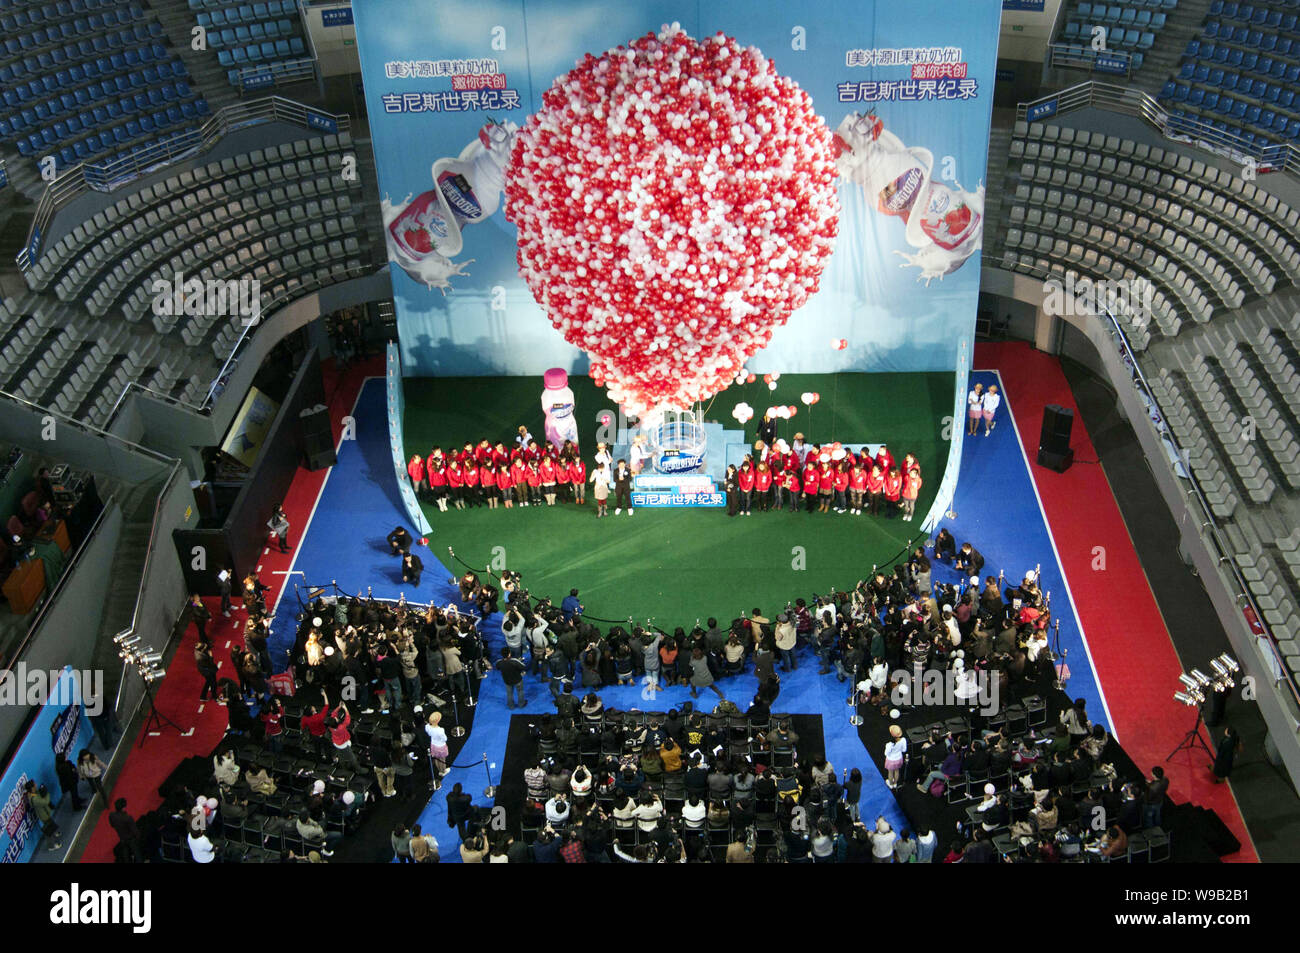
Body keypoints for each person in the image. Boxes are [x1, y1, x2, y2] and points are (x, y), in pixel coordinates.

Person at [25, 781, 60, 851]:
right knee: (48, 831)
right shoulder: (34, 799)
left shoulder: (33, 794)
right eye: (34, 785)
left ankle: (55, 833)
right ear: (32, 788)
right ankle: (51, 846)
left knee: (51, 824)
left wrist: (42, 790)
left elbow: (39, 793)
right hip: (43, 816)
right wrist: (47, 793)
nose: (36, 785)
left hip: (45, 813)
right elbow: (45, 802)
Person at [426, 711, 450, 781]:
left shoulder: (427, 726)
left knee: (436, 758)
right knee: (442, 759)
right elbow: (445, 739)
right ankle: (443, 771)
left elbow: (429, 734)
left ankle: (439, 770)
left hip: (433, 745)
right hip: (441, 746)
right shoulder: (440, 730)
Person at [883, 724, 907, 790]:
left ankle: (891, 784)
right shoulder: (903, 740)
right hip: (899, 758)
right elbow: (904, 750)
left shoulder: (889, 744)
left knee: (890, 772)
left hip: (890, 760)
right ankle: (895, 783)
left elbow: (885, 753)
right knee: (897, 771)